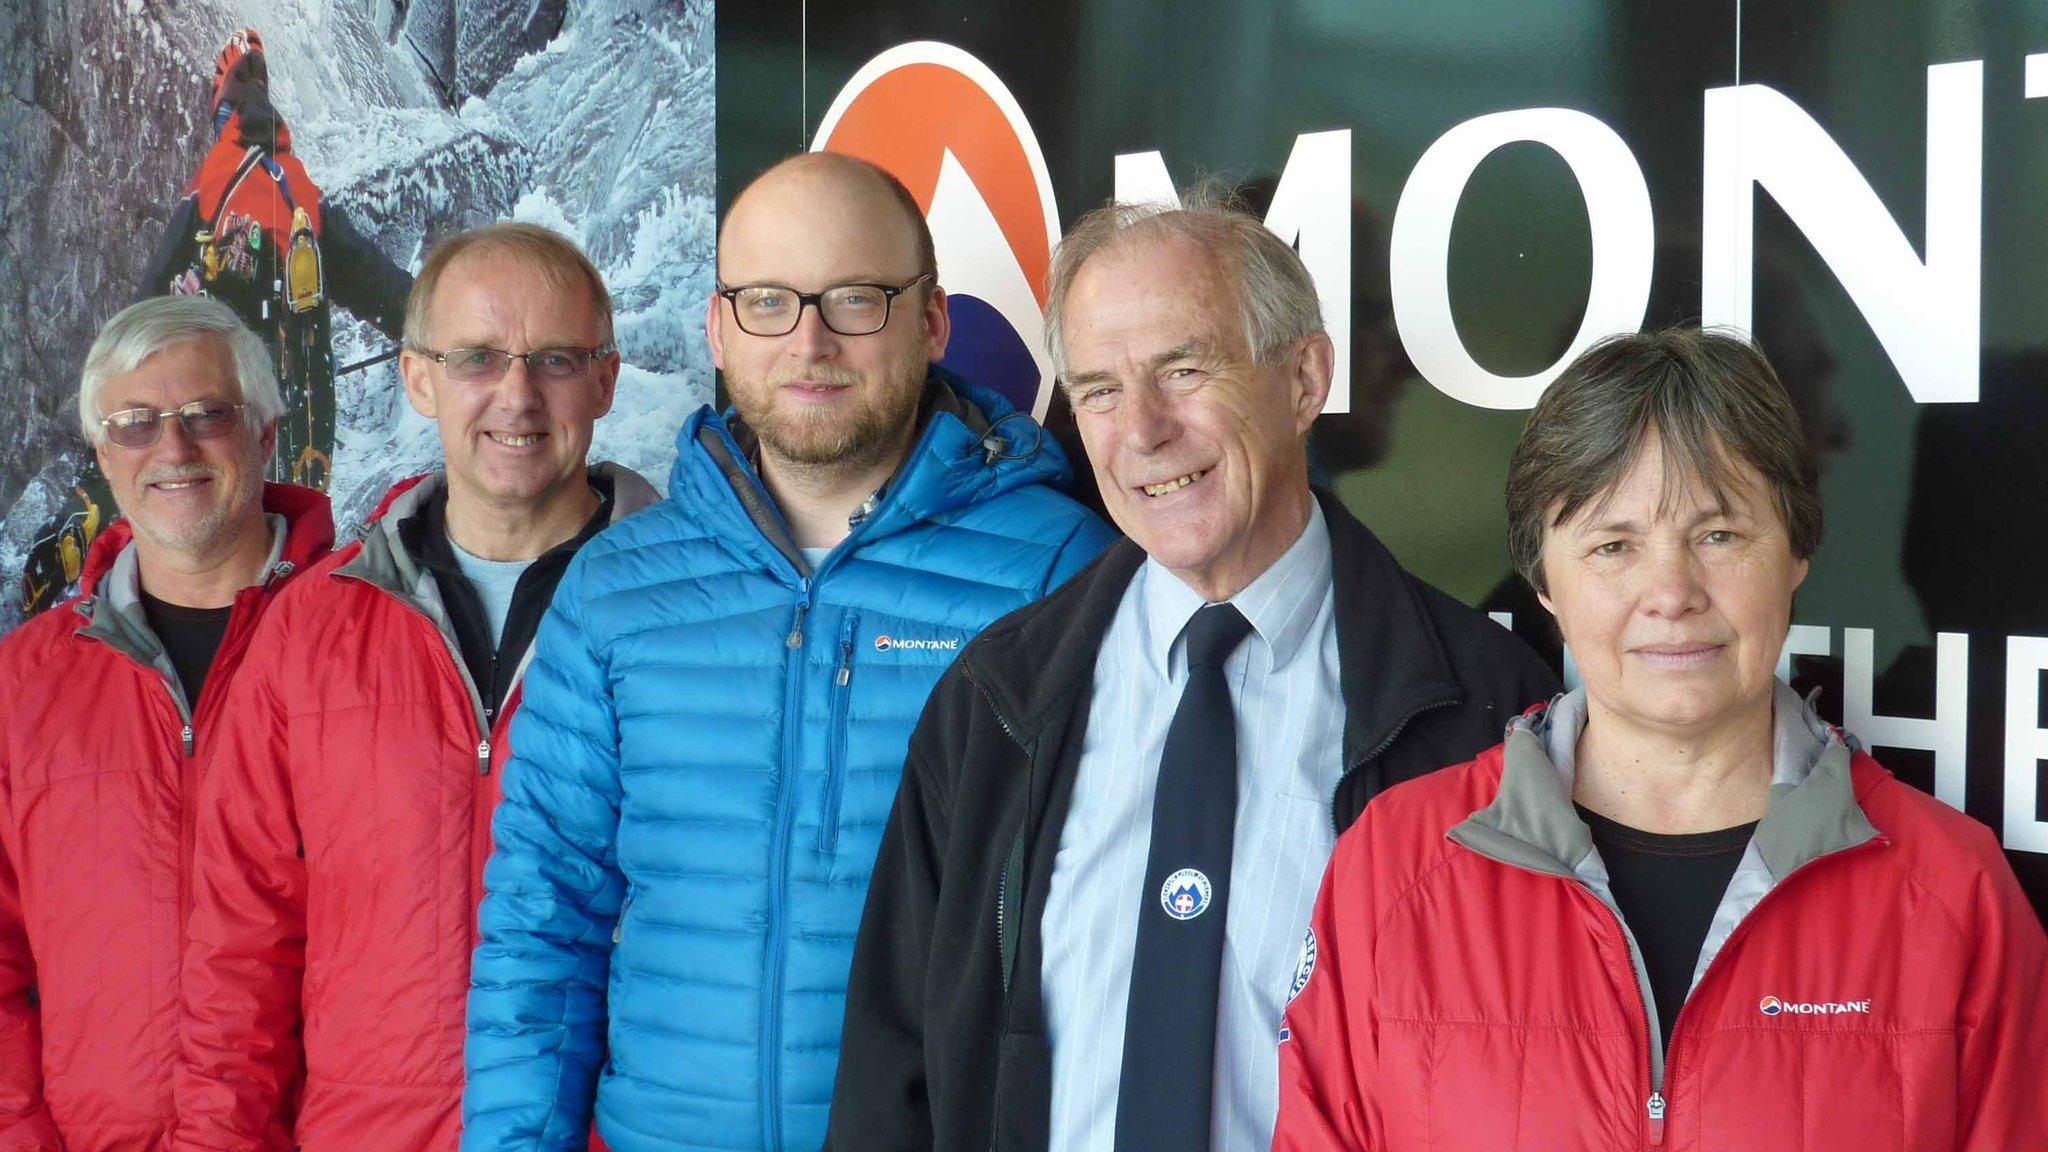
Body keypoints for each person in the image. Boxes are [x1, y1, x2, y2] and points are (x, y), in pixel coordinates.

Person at [826, 191, 1559, 1152]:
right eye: (1097, 390)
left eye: (1183, 369)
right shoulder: (995, 702)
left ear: (1304, 380)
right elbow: (896, 1080)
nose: (1142, 430)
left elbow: (1526, 1089)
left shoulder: (1488, 713)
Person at [459, 152, 1115, 1152]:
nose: (808, 342)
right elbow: (542, 921)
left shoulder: (1057, 571)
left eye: (854, 299)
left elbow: (1102, 940)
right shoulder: (617, 589)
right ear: (719, 330)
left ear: (930, 321)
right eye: (767, 301)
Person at [1274, 328, 2048, 1151]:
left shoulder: (1952, 893)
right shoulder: (1395, 871)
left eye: (1718, 536)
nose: (1671, 592)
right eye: (1614, 545)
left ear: (1796, 551)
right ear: (1544, 581)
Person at [174, 223, 656, 1152]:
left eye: (554, 359)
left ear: (605, 378)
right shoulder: (311, 630)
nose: (516, 396)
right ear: (417, 376)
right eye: (476, 357)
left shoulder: (688, 618)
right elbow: (239, 953)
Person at [0, 295, 332, 1151]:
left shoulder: (366, 641)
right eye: (137, 423)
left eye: (203, 415)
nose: (172, 449)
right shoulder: (24, 682)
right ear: (105, 457)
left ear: (264, 434)